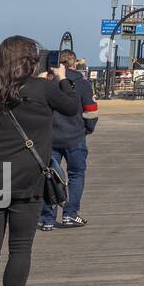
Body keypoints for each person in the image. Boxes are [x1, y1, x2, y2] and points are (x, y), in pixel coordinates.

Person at [0, 36, 80, 286]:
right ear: (30, 61)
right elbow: (72, 108)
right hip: (26, 177)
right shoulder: (43, 88)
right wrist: (61, 79)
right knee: (19, 249)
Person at [38, 50, 96, 232]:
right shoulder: (82, 82)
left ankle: (47, 218)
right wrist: (87, 128)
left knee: (49, 176)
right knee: (76, 174)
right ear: (73, 63)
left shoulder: (45, 81)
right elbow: (91, 109)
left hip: (49, 136)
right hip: (75, 135)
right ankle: (70, 213)